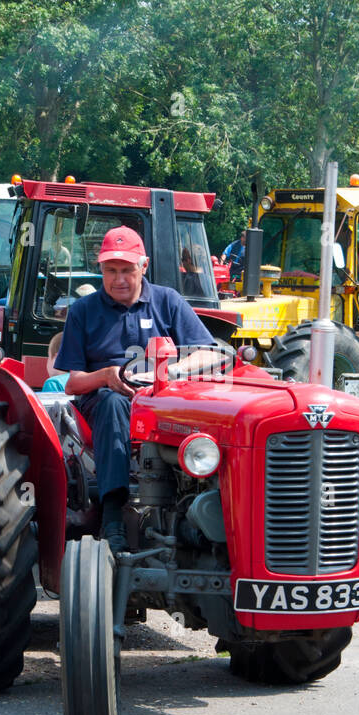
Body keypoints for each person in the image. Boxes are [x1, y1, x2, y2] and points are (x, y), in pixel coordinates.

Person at [55, 226, 219, 553]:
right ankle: (112, 514)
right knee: (112, 403)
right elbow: (73, 383)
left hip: (163, 396)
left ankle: (202, 507)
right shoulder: (83, 311)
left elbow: (210, 353)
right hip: (105, 399)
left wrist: (170, 371)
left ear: (144, 266)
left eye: (127, 270)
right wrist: (105, 375)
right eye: (110, 271)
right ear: (100, 269)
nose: (119, 279)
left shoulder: (167, 301)